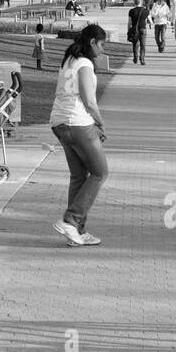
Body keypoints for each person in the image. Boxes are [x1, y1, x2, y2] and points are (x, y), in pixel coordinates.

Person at [50, 23, 110, 247]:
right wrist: (101, 124)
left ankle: (76, 231)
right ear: (92, 42)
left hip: (60, 122)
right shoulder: (84, 64)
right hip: (77, 123)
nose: (102, 50)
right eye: (101, 45)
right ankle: (71, 220)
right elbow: (89, 101)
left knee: (78, 176)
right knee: (100, 172)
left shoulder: (69, 60)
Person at [127, 0, 150, 65]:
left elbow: (129, 22)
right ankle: (142, 59)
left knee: (135, 44)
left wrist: (128, 30)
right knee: (143, 45)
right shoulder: (146, 11)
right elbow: (149, 20)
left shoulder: (131, 11)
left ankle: (135, 58)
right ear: (141, 2)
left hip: (134, 30)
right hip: (143, 29)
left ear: (134, 2)